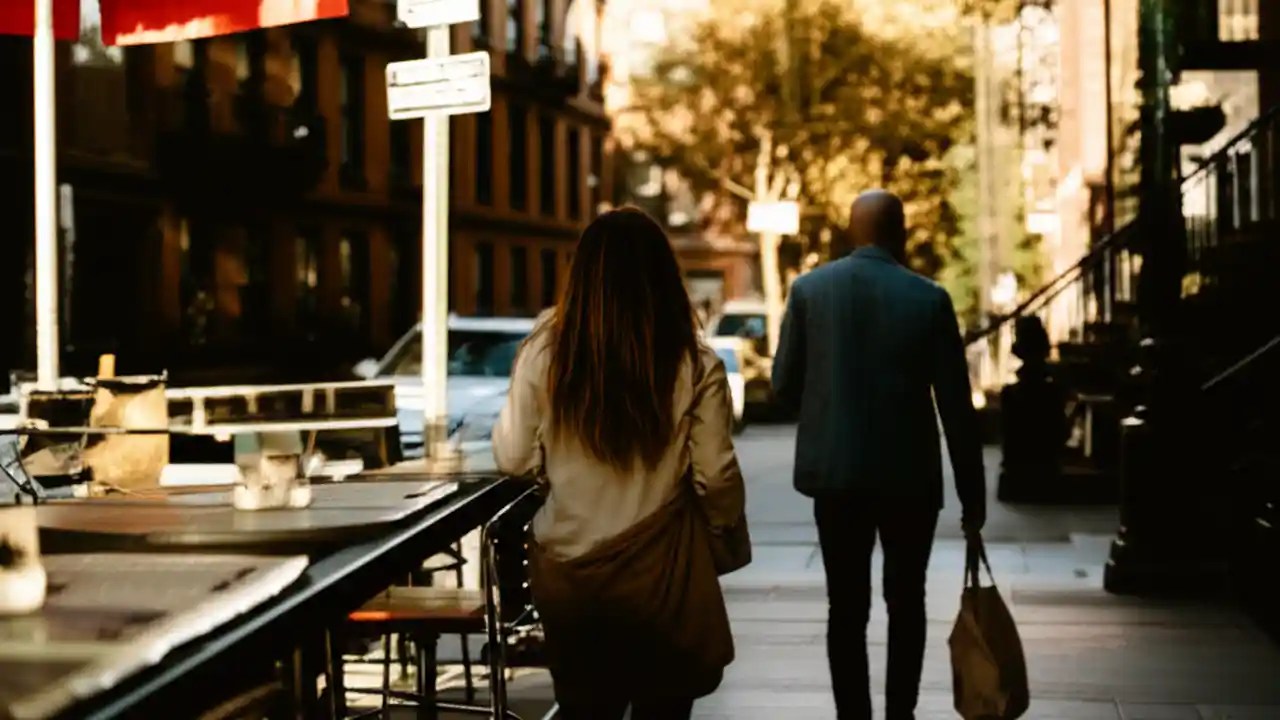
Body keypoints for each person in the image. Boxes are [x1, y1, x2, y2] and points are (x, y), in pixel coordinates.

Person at [493, 207, 748, 720]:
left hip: (569, 573)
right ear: (663, 276)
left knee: (586, 707)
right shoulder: (696, 364)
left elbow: (514, 457)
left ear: (582, 276)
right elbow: (715, 474)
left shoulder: (544, 354)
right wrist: (721, 539)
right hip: (663, 575)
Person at [771, 190, 987, 720]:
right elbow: (957, 408)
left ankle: (853, 716)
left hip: (836, 476)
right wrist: (972, 497)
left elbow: (782, 387)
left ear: (852, 230)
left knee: (845, 607)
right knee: (906, 604)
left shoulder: (807, 292)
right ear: (901, 232)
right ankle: (900, 714)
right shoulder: (930, 298)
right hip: (909, 480)